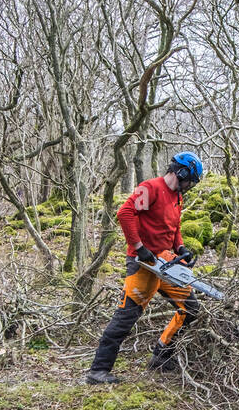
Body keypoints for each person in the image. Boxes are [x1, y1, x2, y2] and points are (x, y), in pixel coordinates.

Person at [86, 152, 205, 384]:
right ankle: (98, 371)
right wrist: (138, 246)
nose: (189, 186)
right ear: (182, 173)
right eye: (190, 181)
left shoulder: (177, 197)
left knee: (190, 308)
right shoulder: (150, 188)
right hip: (143, 264)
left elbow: (174, 226)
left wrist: (180, 248)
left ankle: (161, 355)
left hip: (167, 263)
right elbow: (125, 213)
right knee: (126, 317)